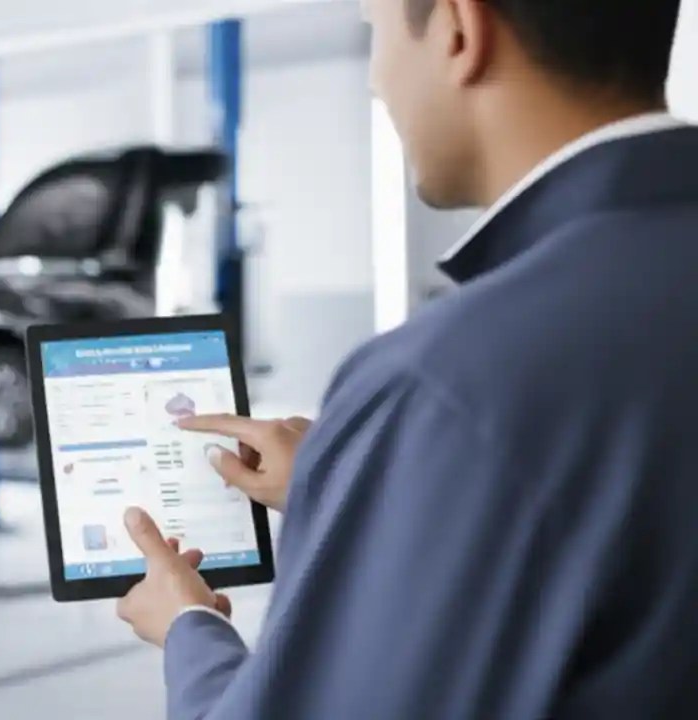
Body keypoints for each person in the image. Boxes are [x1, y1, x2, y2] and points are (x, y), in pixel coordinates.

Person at [115, 0, 698, 717]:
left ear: (459, 29)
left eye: (377, 33)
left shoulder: (444, 381)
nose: (376, 82)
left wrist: (188, 628)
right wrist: (367, 489)